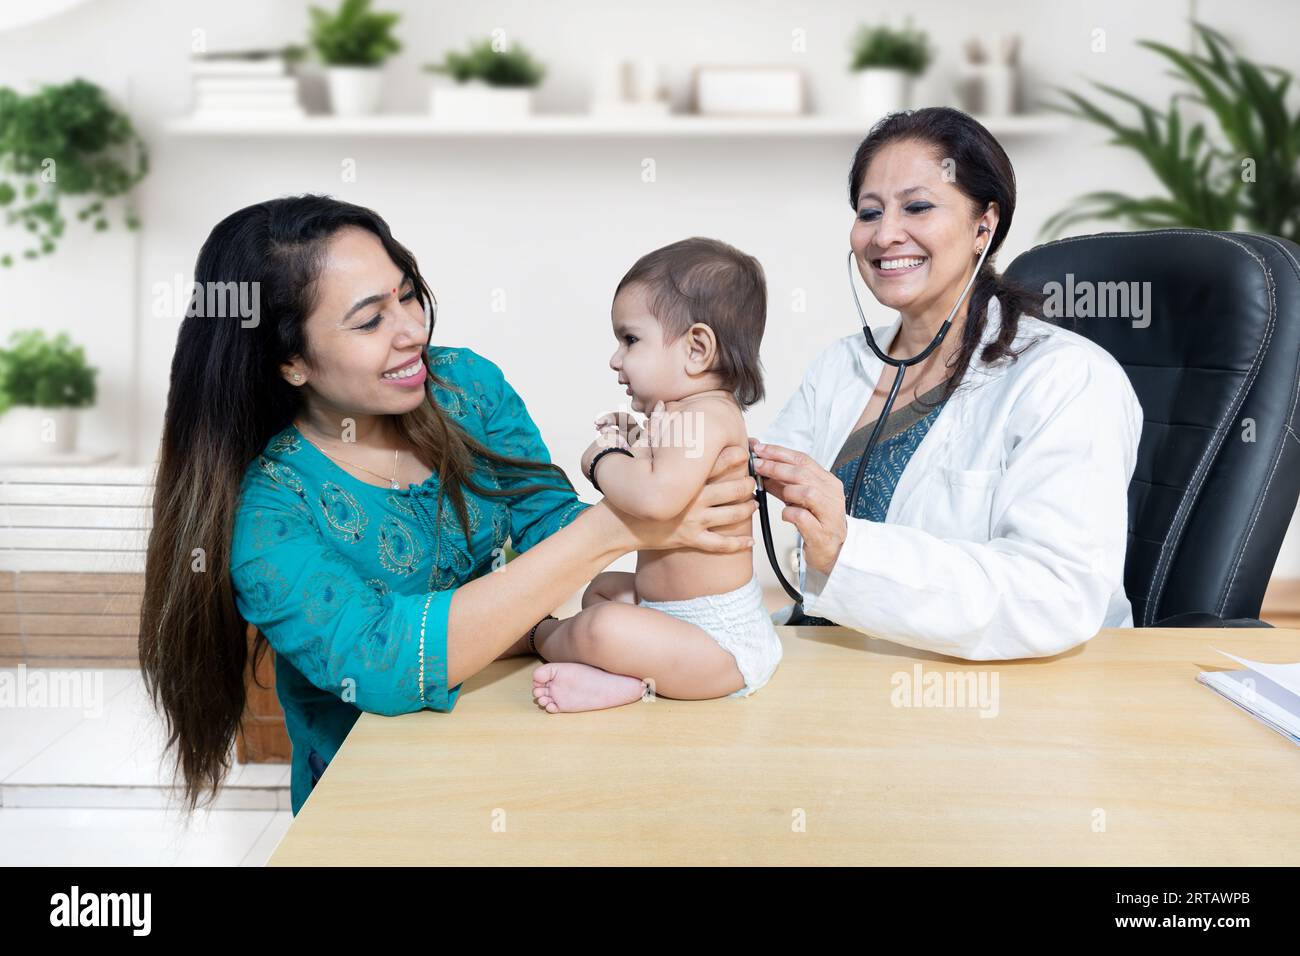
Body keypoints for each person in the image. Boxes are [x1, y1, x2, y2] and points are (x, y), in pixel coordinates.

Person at [138, 196, 758, 815]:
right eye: (369, 321)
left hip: (507, 758)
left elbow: (547, 519)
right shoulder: (268, 513)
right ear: (291, 362)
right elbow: (383, 662)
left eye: (407, 295)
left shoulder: (466, 385)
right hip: (377, 804)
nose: (412, 331)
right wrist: (621, 524)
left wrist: (679, 517)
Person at [751, 107, 1144, 660]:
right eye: (869, 212)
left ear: (984, 223)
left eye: (918, 206)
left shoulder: (1067, 378)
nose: (886, 234)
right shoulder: (842, 366)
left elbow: (1054, 596)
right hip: (836, 661)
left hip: (993, 701)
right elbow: (765, 476)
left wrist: (850, 549)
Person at [531, 238, 783, 713]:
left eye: (630, 340)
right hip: (673, 618)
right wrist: (638, 442)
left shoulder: (706, 416)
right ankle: (631, 683)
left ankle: (540, 636)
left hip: (717, 645)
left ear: (697, 349)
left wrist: (603, 459)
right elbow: (663, 471)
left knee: (600, 627)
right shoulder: (685, 416)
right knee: (604, 590)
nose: (614, 359)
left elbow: (654, 498)